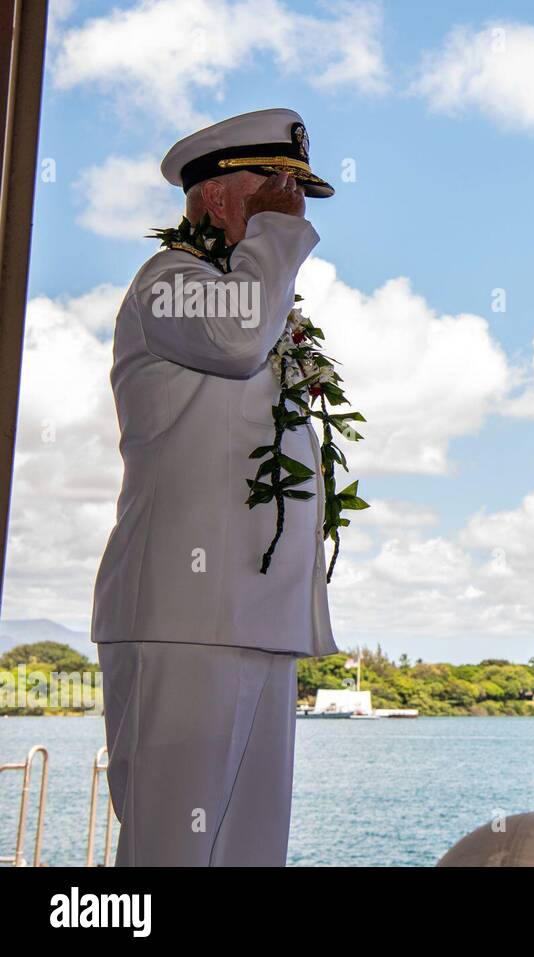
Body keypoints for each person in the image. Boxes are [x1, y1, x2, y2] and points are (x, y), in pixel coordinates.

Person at [91, 109, 338, 865]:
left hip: (260, 617)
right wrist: (277, 236)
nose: (292, 204)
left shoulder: (261, 304)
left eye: (295, 189)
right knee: (171, 853)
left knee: (248, 851)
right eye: (276, 183)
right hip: (184, 614)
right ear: (214, 196)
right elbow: (235, 342)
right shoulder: (169, 283)